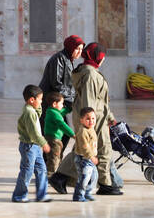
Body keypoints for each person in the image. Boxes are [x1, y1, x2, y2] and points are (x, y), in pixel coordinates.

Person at [51, 42, 122, 196]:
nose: (103, 60)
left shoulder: (89, 72)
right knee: (101, 148)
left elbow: (100, 100)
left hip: (95, 117)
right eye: (102, 57)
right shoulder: (90, 74)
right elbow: (89, 101)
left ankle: (60, 177)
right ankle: (105, 184)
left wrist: (109, 117)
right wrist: (89, 122)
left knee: (83, 148)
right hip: (92, 118)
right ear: (98, 57)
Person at [11, 84, 51, 203]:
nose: (41, 102)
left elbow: (38, 115)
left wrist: (38, 107)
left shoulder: (31, 109)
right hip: (29, 146)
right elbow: (33, 132)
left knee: (41, 169)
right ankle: (19, 196)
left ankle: (42, 194)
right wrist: (44, 143)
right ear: (32, 99)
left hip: (35, 146)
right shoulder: (29, 112)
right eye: (40, 99)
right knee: (27, 171)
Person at [39, 35, 84, 113]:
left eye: (81, 49)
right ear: (70, 47)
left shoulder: (68, 59)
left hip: (59, 102)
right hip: (51, 102)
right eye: (77, 49)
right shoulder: (59, 58)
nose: (80, 52)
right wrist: (72, 99)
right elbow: (57, 84)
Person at [42, 93, 74, 176]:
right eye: (62, 103)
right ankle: (49, 176)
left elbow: (62, 112)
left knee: (56, 157)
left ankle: (52, 175)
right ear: (54, 104)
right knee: (54, 158)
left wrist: (69, 109)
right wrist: (73, 135)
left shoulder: (52, 111)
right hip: (53, 140)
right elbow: (62, 125)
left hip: (53, 139)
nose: (63, 106)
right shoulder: (54, 114)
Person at [72, 106, 99, 203]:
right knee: (84, 178)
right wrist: (91, 156)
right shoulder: (83, 131)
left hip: (90, 159)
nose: (91, 121)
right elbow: (85, 146)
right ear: (81, 120)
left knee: (94, 176)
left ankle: (87, 192)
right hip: (83, 159)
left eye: (93, 118)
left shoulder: (91, 128)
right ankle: (78, 196)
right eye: (87, 119)